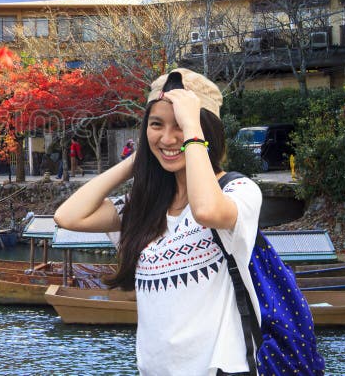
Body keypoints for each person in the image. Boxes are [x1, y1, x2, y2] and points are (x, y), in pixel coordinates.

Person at [54, 68, 262, 375]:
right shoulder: (144, 208)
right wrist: (139, 160)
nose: (167, 137)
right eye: (156, 125)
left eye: (180, 125)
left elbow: (205, 210)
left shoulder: (237, 191)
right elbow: (68, 216)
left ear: (205, 131)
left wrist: (192, 125)